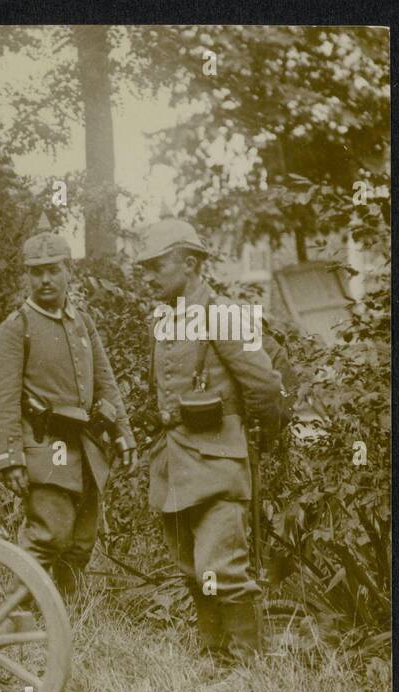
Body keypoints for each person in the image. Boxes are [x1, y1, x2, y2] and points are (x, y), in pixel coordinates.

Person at [135, 215, 284, 660]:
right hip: (174, 464)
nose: (148, 276)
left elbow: (264, 386)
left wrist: (260, 438)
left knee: (221, 566)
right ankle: (214, 657)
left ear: (191, 263)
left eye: (157, 265)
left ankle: (246, 667)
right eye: (145, 267)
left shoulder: (221, 315)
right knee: (191, 569)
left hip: (219, 463)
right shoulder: (164, 319)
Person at [0, 215, 136, 598]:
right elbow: (0, 400)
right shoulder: (17, 327)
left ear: (69, 272)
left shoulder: (82, 323)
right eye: (36, 273)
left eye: (53, 270)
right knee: (48, 535)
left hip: (86, 448)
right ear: (27, 277)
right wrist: (10, 458)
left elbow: (106, 382)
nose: (45, 280)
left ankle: (65, 618)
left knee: (81, 542)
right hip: (45, 450)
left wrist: (124, 435)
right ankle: (15, 616)